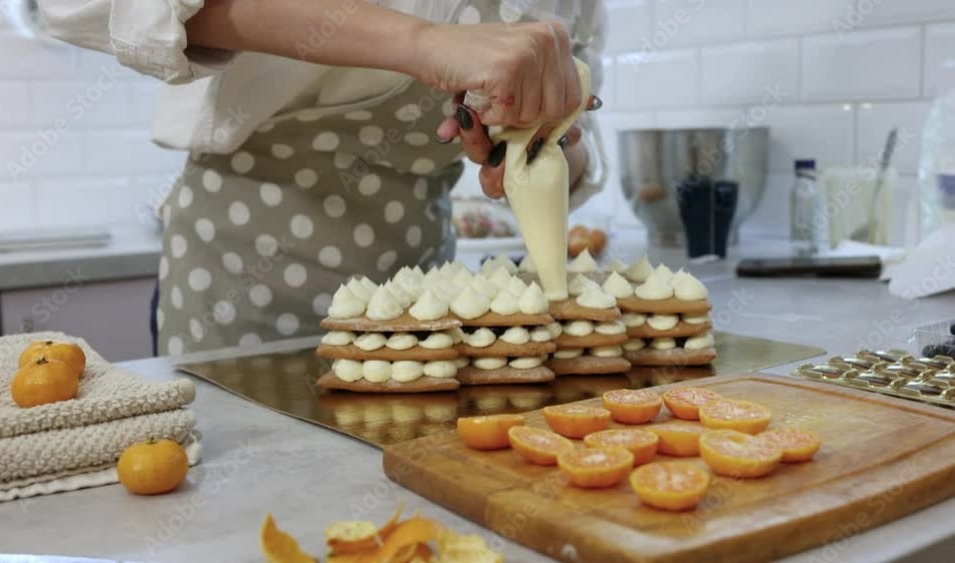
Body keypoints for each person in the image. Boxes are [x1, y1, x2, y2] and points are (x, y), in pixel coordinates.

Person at [37, 0, 608, 355]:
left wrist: (539, 136)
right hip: (243, 274)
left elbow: (576, 159)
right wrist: (423, 42)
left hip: (418, 287)